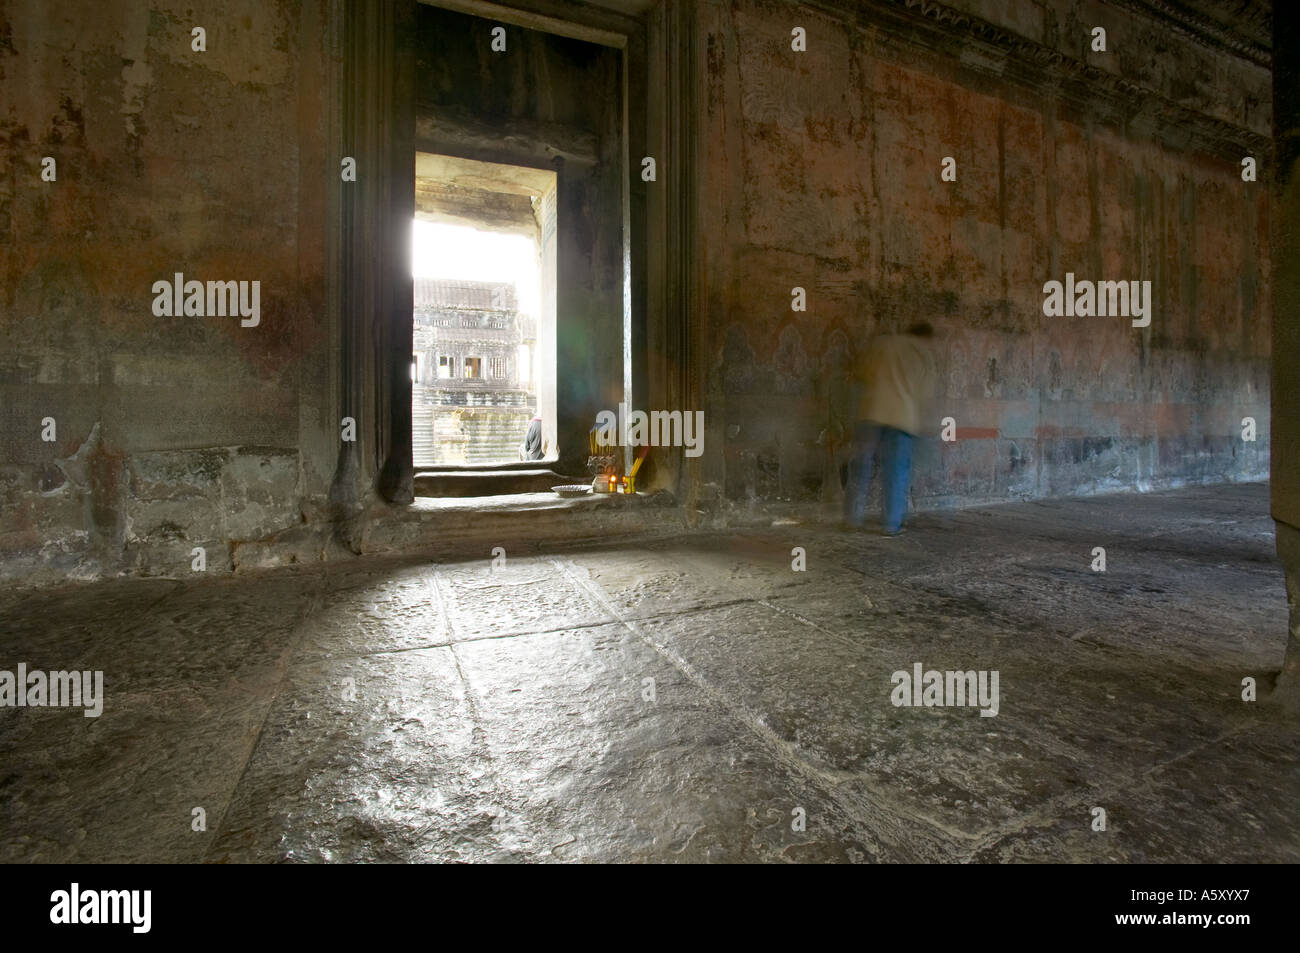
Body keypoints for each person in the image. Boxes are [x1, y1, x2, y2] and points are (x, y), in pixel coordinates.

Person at [844, 323, 937, 536]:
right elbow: (925, 392)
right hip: (901, 417)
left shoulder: (883, 344)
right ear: (925, 337)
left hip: (871, 411)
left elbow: (863, 372)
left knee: (861, 465)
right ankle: (891, 524)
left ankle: (852, 519)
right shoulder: (923, 354)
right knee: (896, 471)